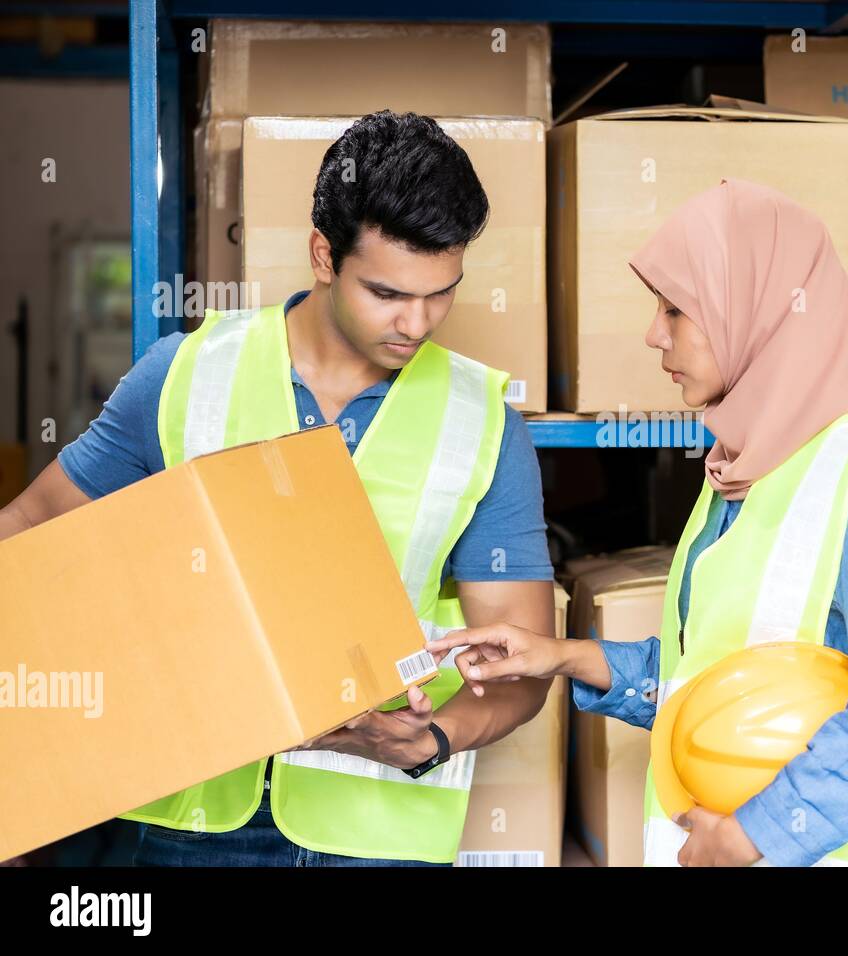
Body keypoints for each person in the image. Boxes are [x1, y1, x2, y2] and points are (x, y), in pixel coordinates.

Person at [0, 111, 555, 867]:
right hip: (182, 818)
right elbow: (32, 525)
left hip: (375, 833)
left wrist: (431, 739)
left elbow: (522, 665)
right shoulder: (186, 372)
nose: (417, 322)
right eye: (388, 292)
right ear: (324, 256)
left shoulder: (486, 423)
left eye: (442, 293)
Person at [427, 178, 848, 867]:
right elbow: (705, 681)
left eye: (676, 309)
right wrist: (557, 655)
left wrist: (754, 837)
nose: (654, 334)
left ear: (758, 314)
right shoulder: (736, 473)